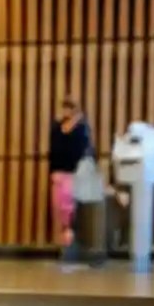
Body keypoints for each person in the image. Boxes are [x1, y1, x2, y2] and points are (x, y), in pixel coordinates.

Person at [47, 97, 92, 247]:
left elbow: (83, 149)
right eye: (64, 108)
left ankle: (70, 239)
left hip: (73, 173)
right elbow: (53, 149)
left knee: (69, 207)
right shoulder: (56, 127)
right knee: (58, 207)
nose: (66, 112)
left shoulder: (81, 128)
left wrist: (77, 121)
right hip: (59, 172)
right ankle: (62, 240)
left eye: (69, 109)